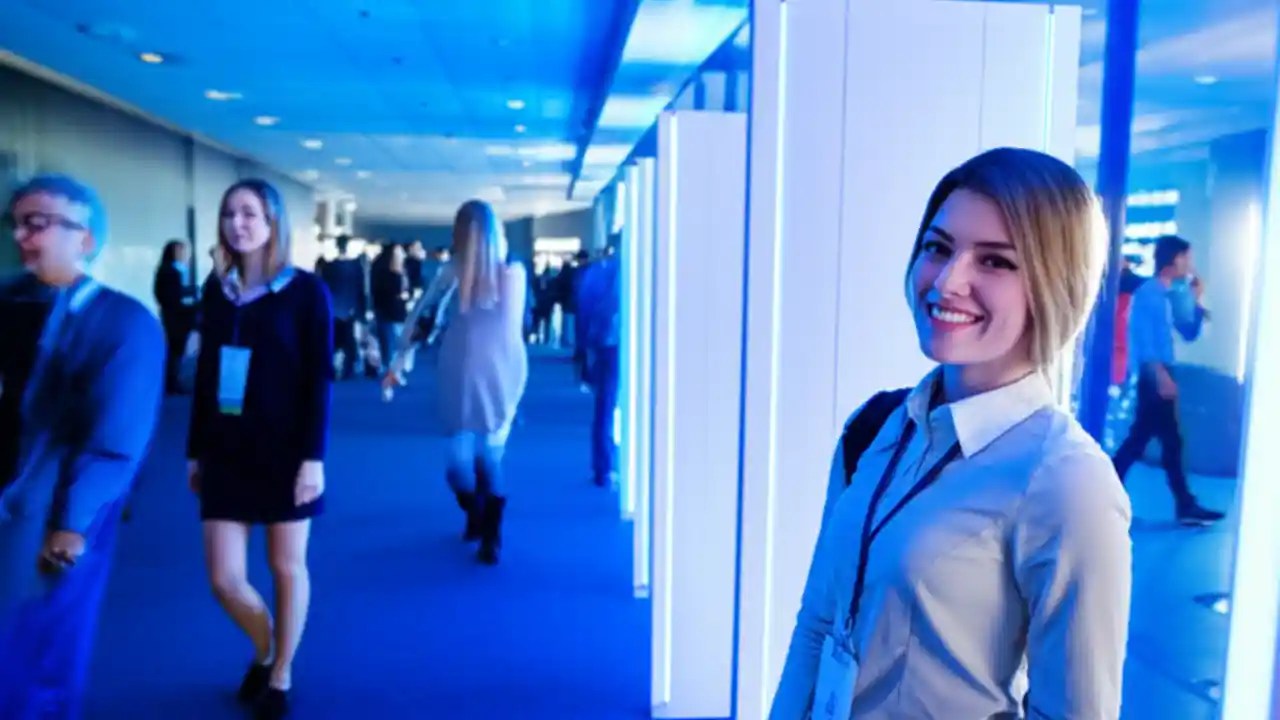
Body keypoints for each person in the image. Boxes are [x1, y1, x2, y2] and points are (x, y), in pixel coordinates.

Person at [771, 148, 1131, 719]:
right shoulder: (877, 426)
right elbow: (819, 620)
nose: (947, 280)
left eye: (996, 262)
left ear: (1054, 284)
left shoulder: (1067, 480)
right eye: (938, 248)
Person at [0, 174, 165, 719]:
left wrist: (71, 525)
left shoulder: (124, 322)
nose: (25, 235)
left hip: (55, 511)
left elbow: (118, 437)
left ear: (86, 238)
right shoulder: (9, 302)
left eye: (40, 223)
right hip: (12, 491)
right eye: (19, 223)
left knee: (38, 645)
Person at [187, 178, 333, 720]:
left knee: (285, 565)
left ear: (273, 223)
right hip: (226, 448)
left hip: (288, 450)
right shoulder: (216, 289)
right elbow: (206, 376)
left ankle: (281, 673)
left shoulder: (305, 291)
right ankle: (268, 645)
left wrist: (313, 458)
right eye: (229, 213)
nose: (238, 223)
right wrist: (195, 450)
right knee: (224, 578)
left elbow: (319, 378)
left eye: (250, 213)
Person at [384, 199, 528, 565]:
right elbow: (424, 314)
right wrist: (400, 358)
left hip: (499, 370)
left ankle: (490, 534)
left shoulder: (510, 273)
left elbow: (510, 332)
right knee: (457, 463)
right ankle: (475, 510)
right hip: (460, 370)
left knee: (488, 456)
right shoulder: (452, 272)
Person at [1111, 235, 1223, 524]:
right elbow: (1144, 341)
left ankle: (1184, 504)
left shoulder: (1171, 294)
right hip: (1154, 374)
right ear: (1173, 260)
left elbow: (1188, 331)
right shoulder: (1148, 294)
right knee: (1150, 441)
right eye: (1187, 258)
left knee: (1156, 441)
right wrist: (1161, 375)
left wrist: (1197, 299)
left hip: (1161, 373)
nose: (1190, 264)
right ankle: (1183, 505)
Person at [575, 245, 621, 487]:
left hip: (605, 345)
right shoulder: (635, 271)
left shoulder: (598, 273)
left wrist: (583, 350)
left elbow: (584, 311)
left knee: (605, 405)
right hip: (622, 344)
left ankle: (603, 467)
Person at [154, 238, 198, 393]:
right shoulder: (171, 271)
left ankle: (171, 382)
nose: (184, 255)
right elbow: (171, 297)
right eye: (181, 251)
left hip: (171, 316)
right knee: (175, 351)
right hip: (175, 318)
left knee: (175, 350)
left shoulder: (168, 270)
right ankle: (171, 384)